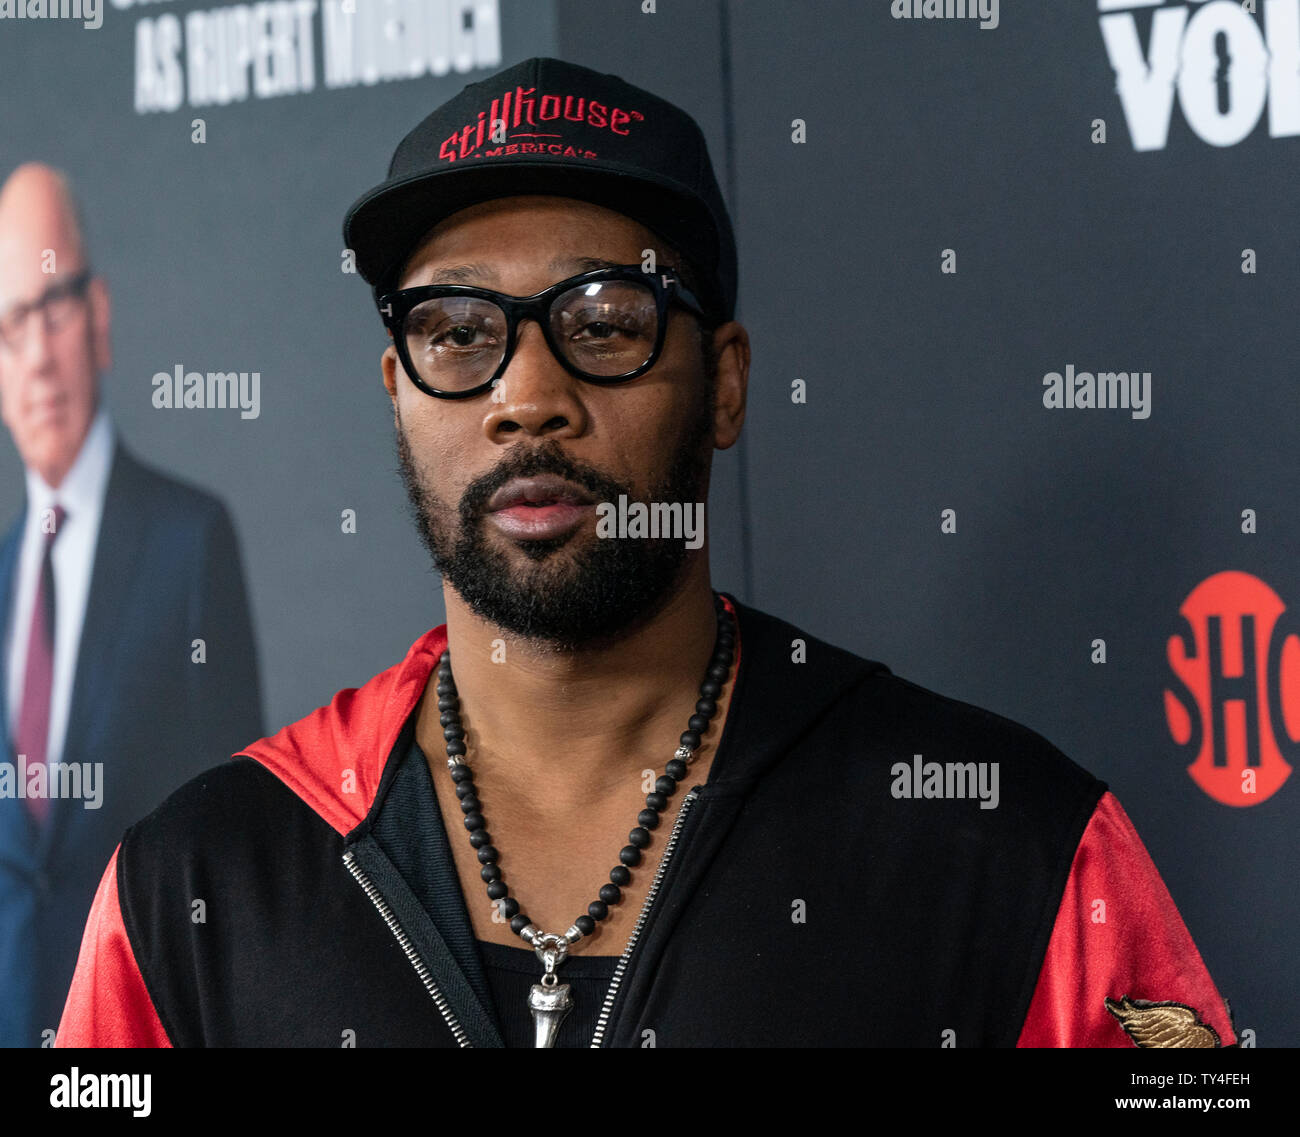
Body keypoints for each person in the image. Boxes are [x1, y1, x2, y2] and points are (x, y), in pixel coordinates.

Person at [54, 58, 1232, 1048]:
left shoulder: (1002, 842)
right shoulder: (200, 886)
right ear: (396, 392)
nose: (526, 399)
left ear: (722, 382)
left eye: (603, 323)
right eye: (457, 334)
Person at [0, 163, 264, 1047]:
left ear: (100, 316)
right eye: (9, 325)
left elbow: (237, 847)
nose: (36, 353)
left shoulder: (190, 540)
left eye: (55, 305)